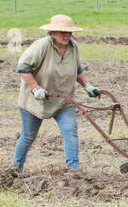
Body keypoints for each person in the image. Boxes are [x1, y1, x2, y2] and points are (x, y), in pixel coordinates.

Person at [13, 15, 100, 172]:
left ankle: (74, 170)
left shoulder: (73, 47)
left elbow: (77, 70)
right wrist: (36, 88)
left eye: (69, 32)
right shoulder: (41, 46)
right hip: (35, 101)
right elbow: (22, 68)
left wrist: (87, 86)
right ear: (52, 32)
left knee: (70, 132)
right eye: (62, 32)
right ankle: (15, 168)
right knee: (28, 136)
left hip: (63, 100)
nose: (67, 36)